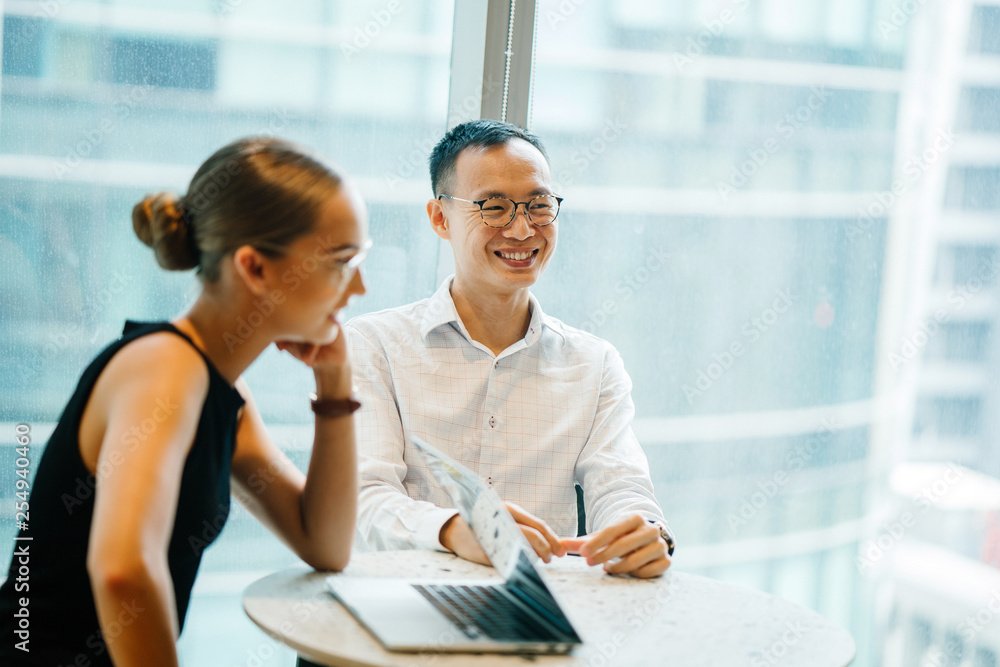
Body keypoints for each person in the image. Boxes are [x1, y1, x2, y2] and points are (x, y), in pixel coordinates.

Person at [0, 137, 368, 666]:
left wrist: (336, 384)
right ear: (255, 268)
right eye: (342, 260)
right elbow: (123, 570)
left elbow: (324, 544)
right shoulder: (164, 370)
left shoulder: (217, 389)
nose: (359, 286)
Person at [346, 119, 674, 579]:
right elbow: (362, 498)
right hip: (398, 614)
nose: (522, 230)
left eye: (540, 206)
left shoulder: (594, 364)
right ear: (441, 218)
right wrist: (457, 530)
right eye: (494, 208)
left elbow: (621, 486)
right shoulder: (373, 345)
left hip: (535, 621)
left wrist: (645, 534)